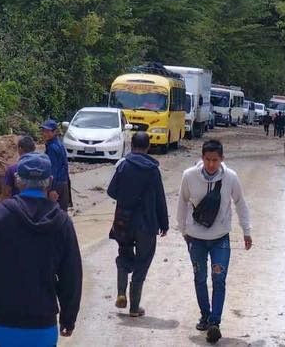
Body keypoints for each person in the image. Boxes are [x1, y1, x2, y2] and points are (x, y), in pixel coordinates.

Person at [0, 153, 83, 347]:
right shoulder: (62, 223)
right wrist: (69, 318)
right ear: (50, 182)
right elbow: (72, 276)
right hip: (41, 331)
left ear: (17, 181)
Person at [177, 139, 252, 344]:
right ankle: (205, 315)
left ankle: (215, 323)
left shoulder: (231, 178)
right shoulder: (189, 176)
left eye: (215, 160)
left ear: (222, 159)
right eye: (208, 159)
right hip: (196, 239)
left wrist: (247, 231)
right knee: (199, 278)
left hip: (220, 239)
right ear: (202, 158)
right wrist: (183, 230)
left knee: (219, 279)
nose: (211, 165)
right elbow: (182, 202)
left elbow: (240, 204)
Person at [106, 131, 169, 317]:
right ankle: (134, 307)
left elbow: (111, 191)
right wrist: (164, 224)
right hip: (147, 225)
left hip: (123, 222)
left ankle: (120, 292)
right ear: (148, 147)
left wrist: (126, 197)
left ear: (131, 145)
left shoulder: (123, 165)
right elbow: (160, 199)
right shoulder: (153, 170)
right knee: (143, 261)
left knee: (124, 254)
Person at [40, 120, 72, 212]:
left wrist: (52, 188)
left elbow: (53, 169)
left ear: (54, 132)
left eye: (47, 131)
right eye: (43, 131)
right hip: (64, 182)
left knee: (52, 213)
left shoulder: (52, 148)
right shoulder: (59, 144)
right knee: (62, 213)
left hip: (56, 184)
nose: (44, 134)